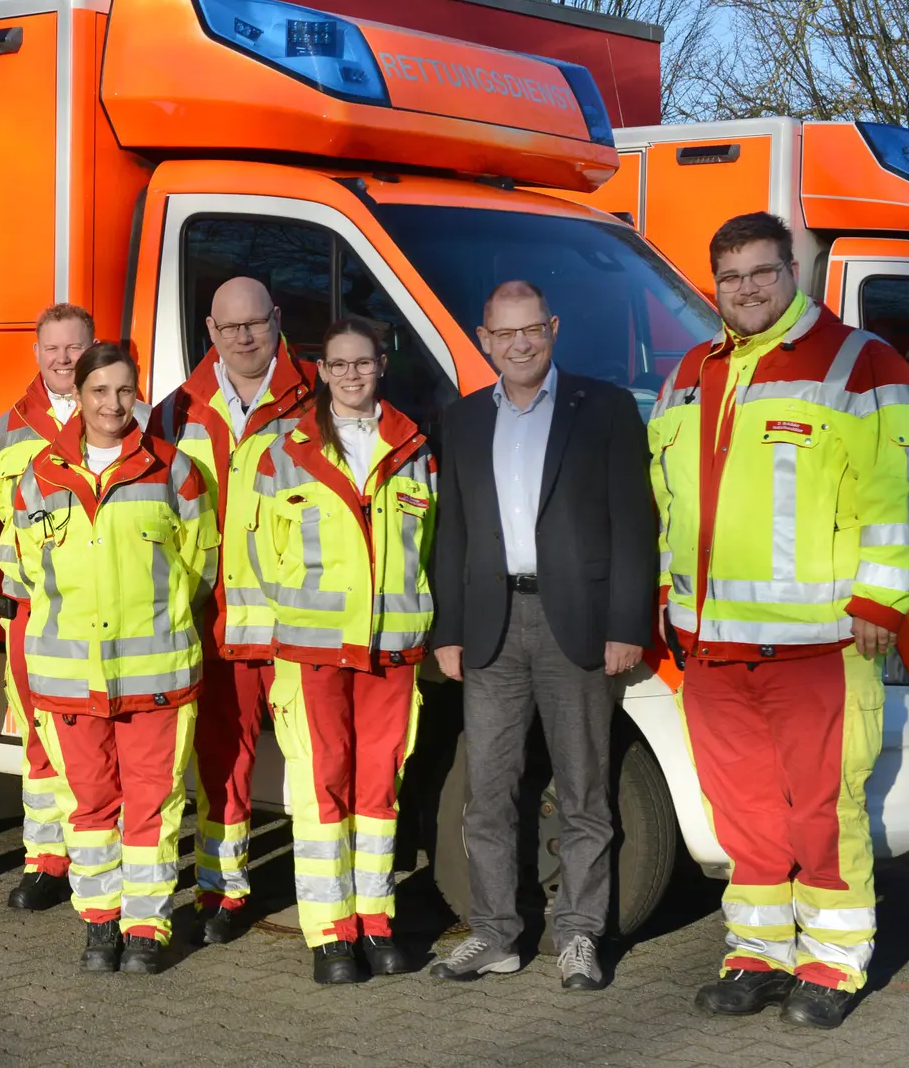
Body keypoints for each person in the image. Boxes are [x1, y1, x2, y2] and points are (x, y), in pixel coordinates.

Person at [653, 212, 909, 1030]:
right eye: (730, 277)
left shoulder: (861, 364)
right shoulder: (687, 373)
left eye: (761, 272)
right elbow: (666, 501)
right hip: (712, 646)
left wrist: (883, 599)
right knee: (742, 810)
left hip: (819, 643)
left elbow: (900, 494)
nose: (745, 290)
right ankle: (758, 954)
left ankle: (833, 965)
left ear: (795, 270)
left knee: (824, 806)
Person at [426, 282, 657, 990]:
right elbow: (454, 532)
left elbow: (634, 525)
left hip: (577, 626)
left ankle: (579, 936)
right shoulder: (462, 420)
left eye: (533, 329)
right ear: (485, 338)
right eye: (506, 332)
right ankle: (495, 933)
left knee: (586, 790)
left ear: (553, 329)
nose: (521, 343)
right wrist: (449, 629)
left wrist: (627, 624)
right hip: (492, 628)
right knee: (488, 793)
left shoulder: (606, 408)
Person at [233, 318, 436, 983]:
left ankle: (375, 921)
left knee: (380, 788)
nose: (352, 375)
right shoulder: (281, 453)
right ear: (320, 370)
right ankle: (329, 935)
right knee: (322, 790)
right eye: (340, 365)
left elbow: (426, 547)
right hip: (314, 652)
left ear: (382, 366)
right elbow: (261, 553)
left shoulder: (413, 449)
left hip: (388, 654)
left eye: (364, 363)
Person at [9, 342, 217, 975]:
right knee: (90, 806)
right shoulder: (36, 477)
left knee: (153, 803)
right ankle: (99, 923)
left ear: (138, 395)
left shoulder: (174, 471)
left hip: (155, 676)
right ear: (78, 395)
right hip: (70, 679)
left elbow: (200, 566)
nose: (112, 404)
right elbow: (23, 573)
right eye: (99, 391)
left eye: (125, 391)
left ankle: (147, 926)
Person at [151, 275, 316, 943]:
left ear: (276, 319)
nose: (245, 336)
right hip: (217, 620)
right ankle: (222, 890)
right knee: (221, 762)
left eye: (256, 322)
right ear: (211, 334)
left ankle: (330, 896)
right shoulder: (174, 413)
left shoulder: (321, 399)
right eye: (230, 327)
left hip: (305, 620)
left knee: (320, 762)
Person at [0, 302, 95, 912]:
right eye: (51, 349)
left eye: (73, 347)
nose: (62, 359)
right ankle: (45, 859)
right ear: (36, 354)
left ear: (91, 346)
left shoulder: (123, 413)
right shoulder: (8, 429)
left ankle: (97, 856)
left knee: (101, 737)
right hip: (33, 605)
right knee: (39, 736)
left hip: (103, 609)